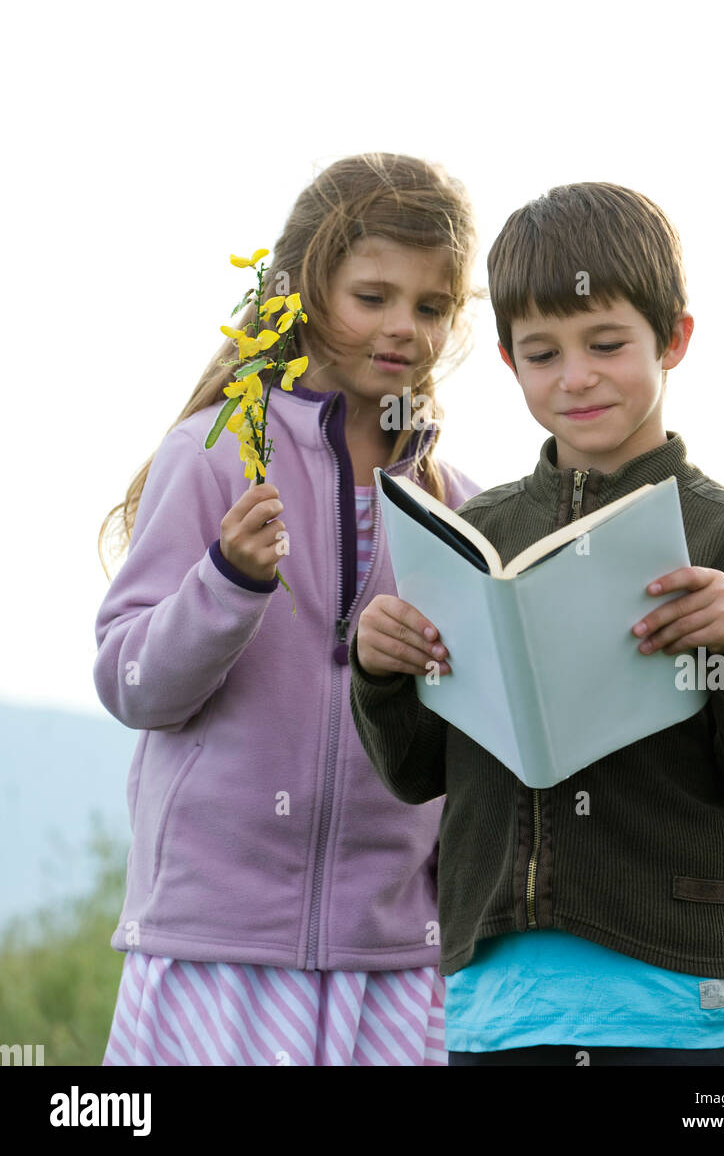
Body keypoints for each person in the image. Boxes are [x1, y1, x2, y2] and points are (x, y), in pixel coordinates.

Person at [349, 181, 724, 1067]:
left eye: (606, 344)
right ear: (506, 360)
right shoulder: (476, 535)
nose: (574, 377)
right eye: (541, 353)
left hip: (681, 994)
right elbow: (415, 773)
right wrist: (380, 672)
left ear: (672, 338)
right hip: (500, 1000)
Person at [94, 151, 482, 1066]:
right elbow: (133, 682)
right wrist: (226, 582)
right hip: (218, 947)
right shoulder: (218, 453)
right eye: (372, 296)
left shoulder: (456, 504)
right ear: (306, 290)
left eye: (431, 308)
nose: (403, 330)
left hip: (389, 957)